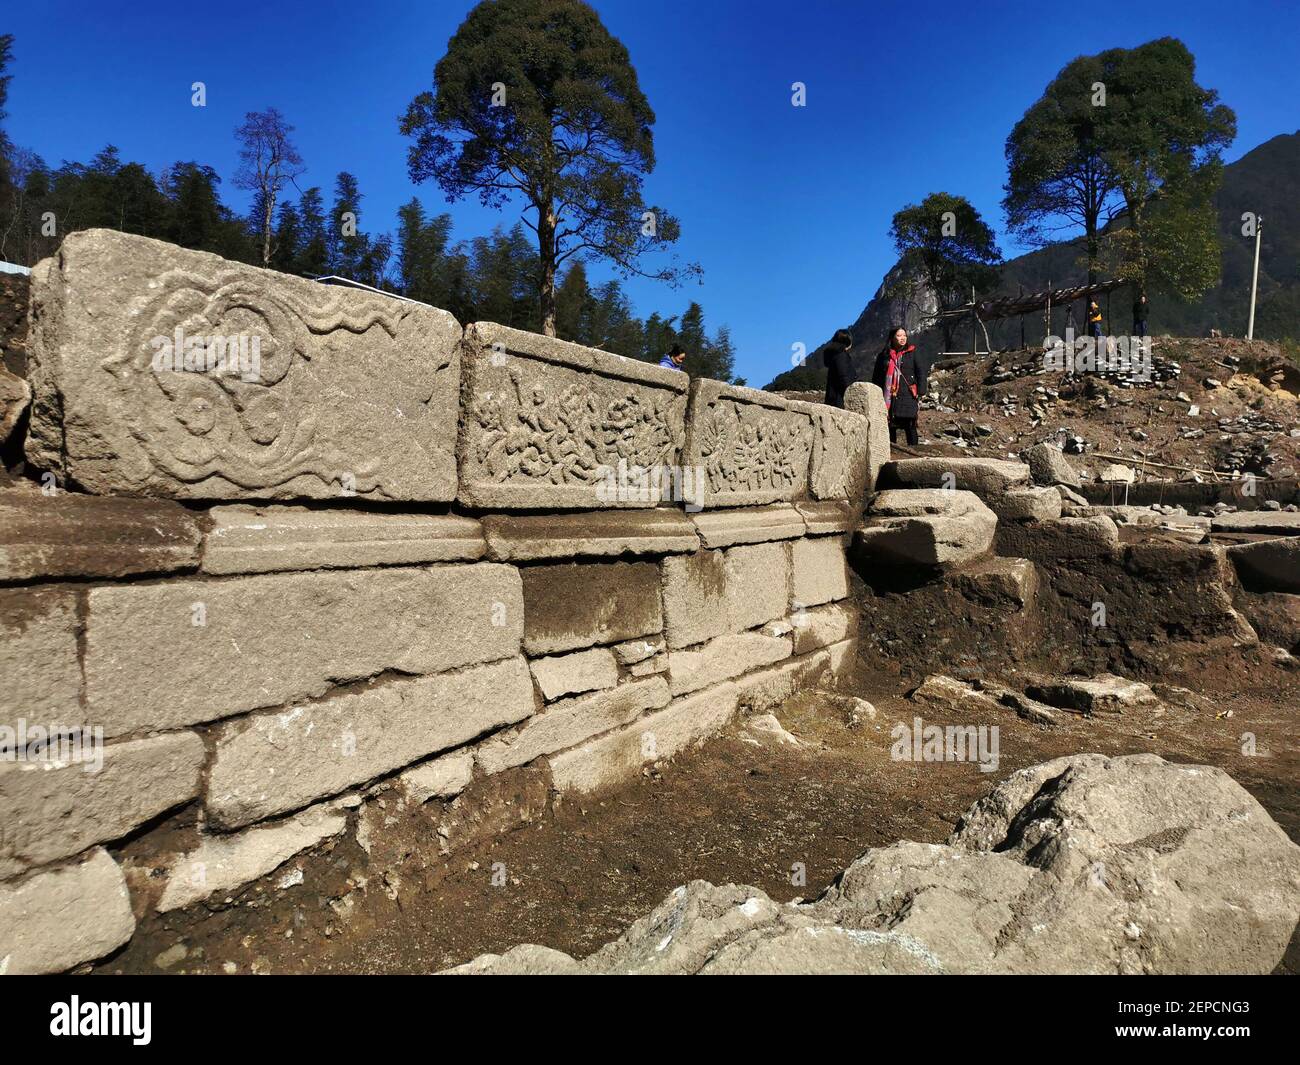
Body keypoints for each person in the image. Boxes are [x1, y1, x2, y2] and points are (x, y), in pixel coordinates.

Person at [871, 325, 927, 446]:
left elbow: (920, 372)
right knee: (890, 426)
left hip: (908, 396)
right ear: (892, 338)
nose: (902, 338)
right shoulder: (883, 356)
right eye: (899, 335)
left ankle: (914, 453)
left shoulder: (912, 352)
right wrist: (875, 394)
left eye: (904, 335)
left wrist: (921, 390)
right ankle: (892, 453)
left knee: (910, 425)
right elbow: (877, 377)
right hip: (889, 398)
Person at [822, 328, 856, 408]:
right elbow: (844, 377)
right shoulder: (841, 356)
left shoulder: (834, 355)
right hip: (840, 400)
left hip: (832, 398)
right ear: (848, 341)